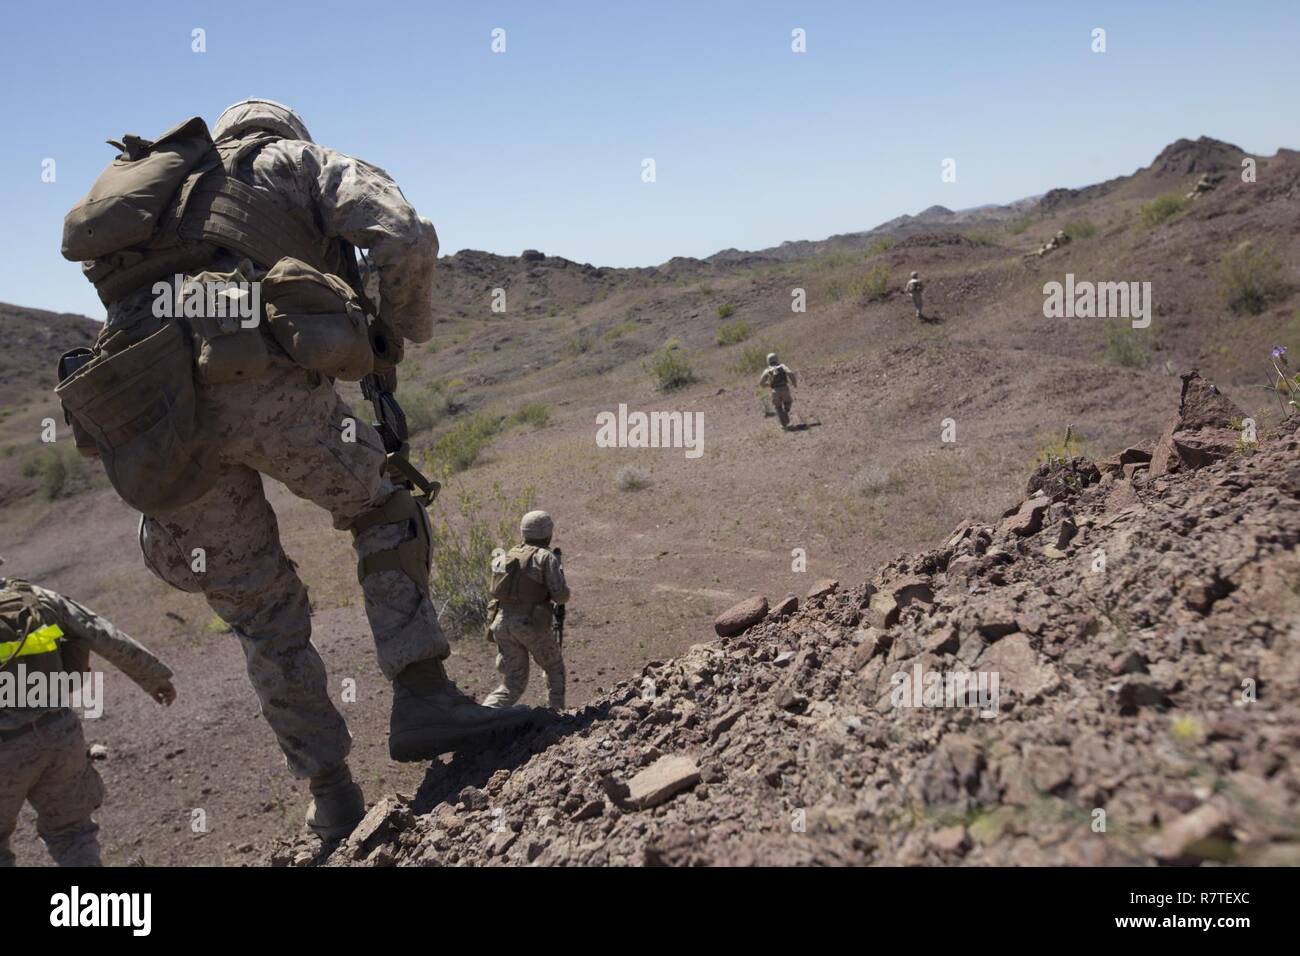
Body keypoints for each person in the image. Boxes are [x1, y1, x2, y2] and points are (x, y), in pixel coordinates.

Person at [60, 98, 532, 841]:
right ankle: (423, 695)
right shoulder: (290, 161)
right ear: (284, 130)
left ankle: (332, 792)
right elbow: (403, 233)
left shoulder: (154, 203)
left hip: (156, 414)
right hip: (263, 380)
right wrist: (399, 330)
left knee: (258, 607)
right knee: (383, 507)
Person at [0, 559, 175, 866]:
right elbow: (98, 631)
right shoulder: (35, 597)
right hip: (60, 735)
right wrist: (153, 677)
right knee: (71, 833)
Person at [483, 512, 570, 710]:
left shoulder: (509, 554)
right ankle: (557, 717)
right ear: (548, 533)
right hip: (528, 624)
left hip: (502, 624)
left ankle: (484, 715)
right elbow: (561, 596)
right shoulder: (545, 557)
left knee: (513, 682)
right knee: (554, 668)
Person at [758, 353, 798, 429]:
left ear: (768, 361)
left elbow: (761, 383)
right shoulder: (782, 366)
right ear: (777, 359)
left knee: (778, 407)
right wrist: (794, 383)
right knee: (788, 402)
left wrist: (770, 385)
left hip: (774, 391)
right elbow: (790, 373)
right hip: (784, 388)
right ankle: (786, 412)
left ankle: (783, 425)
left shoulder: (767, 370)